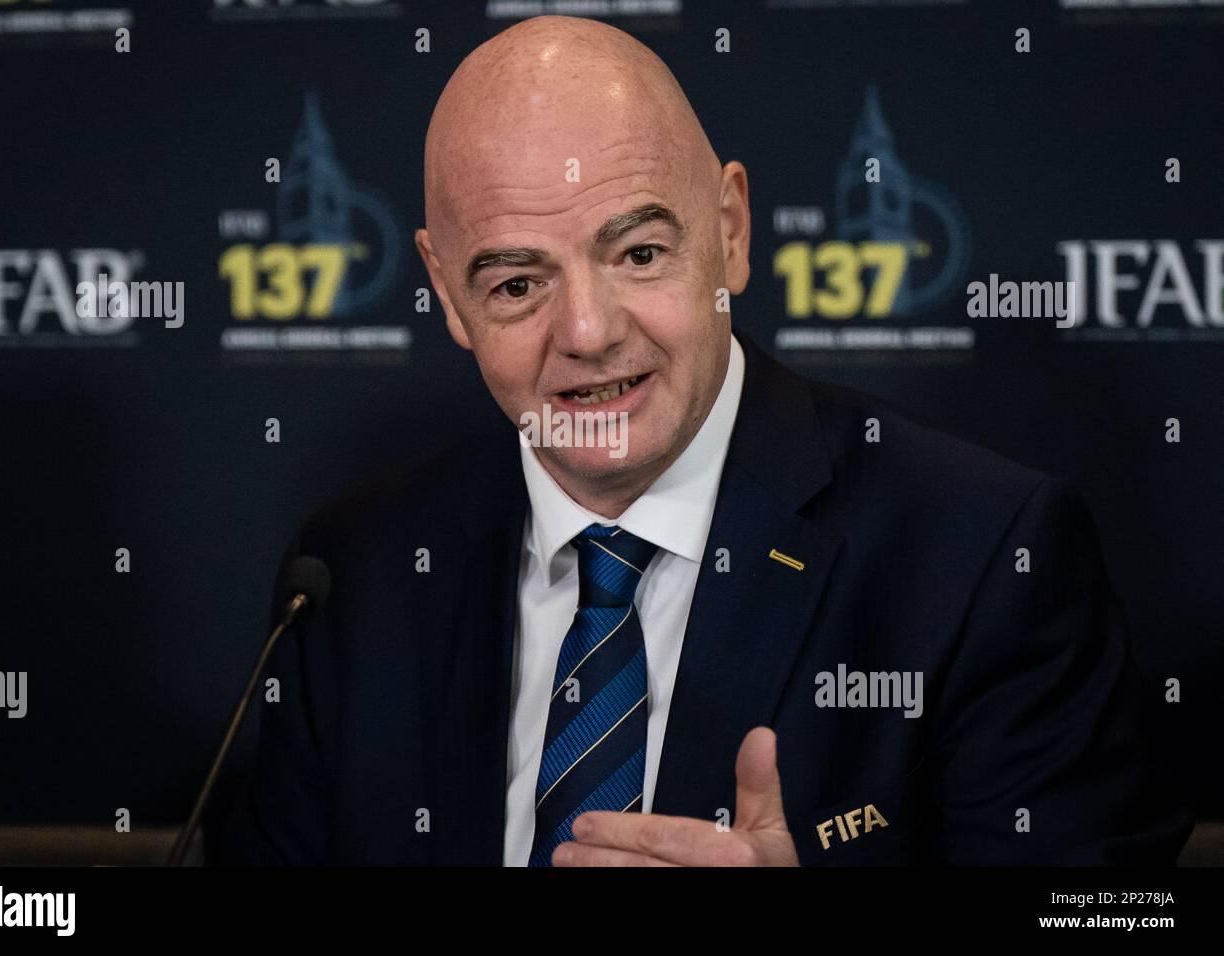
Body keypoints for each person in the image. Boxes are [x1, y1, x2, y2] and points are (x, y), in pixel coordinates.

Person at [242, 15, 1192, 866]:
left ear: (730, 233)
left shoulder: (982, 557)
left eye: (640, 254)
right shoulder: (351, 579)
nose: (587, 332)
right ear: (448, 295)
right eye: (517, 284)